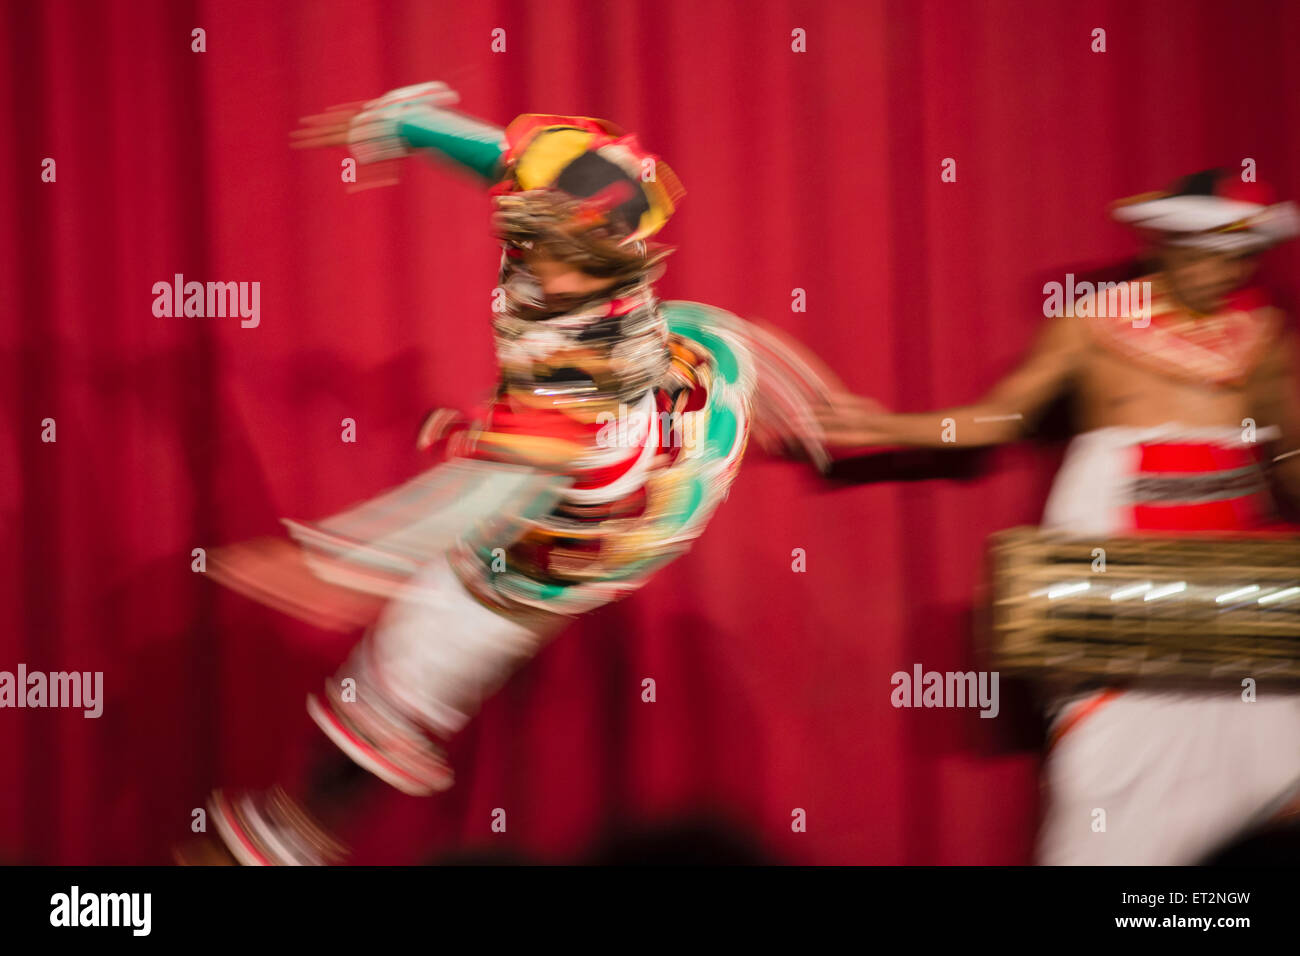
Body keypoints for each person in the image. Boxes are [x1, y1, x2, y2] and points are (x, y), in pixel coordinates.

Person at [179, 82, 832, 865]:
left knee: (410, 658)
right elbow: (501, 153)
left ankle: (284, 840)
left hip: (583, 526)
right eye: (553, 258)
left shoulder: (580, 364)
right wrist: (401, 126)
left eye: (581, 270)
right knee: (678, 366)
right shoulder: (551, 202)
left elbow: (492, 493)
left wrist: (347, 562)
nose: (557, 282)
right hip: (606, 425)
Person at [819, 169, 1300, 864]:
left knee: (1270, 746)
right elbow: (1000, 419)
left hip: (1227, 588)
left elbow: (1289, 458)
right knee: (1108, 772)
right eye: (1203, 252)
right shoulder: (1093, 323)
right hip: (1115, 574)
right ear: (1160, 244)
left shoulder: (1262, 336)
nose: (1221, 271)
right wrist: (882, 428)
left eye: (1238, 256)